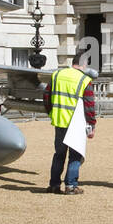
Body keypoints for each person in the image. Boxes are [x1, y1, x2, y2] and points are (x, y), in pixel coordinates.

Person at [44, 53, 96, 194]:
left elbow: (46, 95)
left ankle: (54, 185)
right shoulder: (85, 80)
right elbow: (89, 105)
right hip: (76, 123)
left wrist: (51, 112)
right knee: (75, 155)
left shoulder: (57, 75)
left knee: (59, 154)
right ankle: (71, 186)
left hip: (59, 120)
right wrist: (92, 125)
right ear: (84, 65)